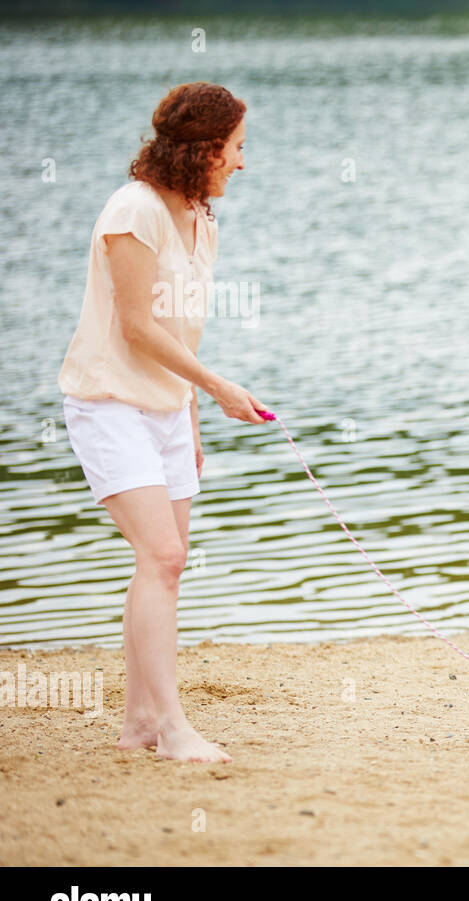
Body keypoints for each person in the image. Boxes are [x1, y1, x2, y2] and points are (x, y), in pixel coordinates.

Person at [59, 82, 269, 763]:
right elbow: (135, 325)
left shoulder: (202, 216)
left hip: (168, 407)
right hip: (109, 402)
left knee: (166, 568)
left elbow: (185, 327)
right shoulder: (134, 211)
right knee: (164, 556)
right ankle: (175, 729)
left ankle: (139, 725)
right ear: (206, 148)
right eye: (237, 148)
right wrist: (216, 389)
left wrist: (193, 414)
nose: (243, 162)